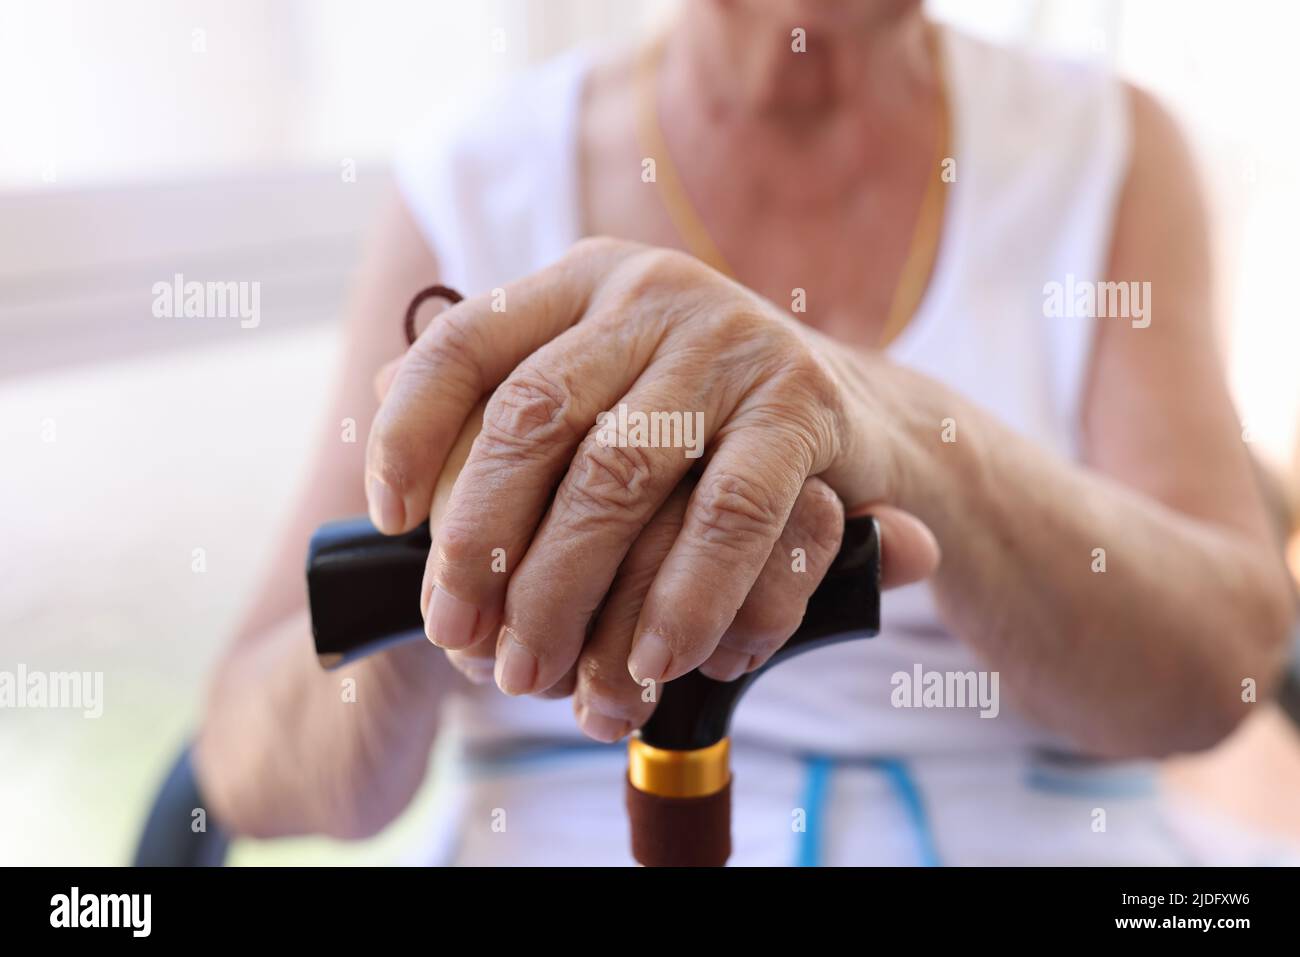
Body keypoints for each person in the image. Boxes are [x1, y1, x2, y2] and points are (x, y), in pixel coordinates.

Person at [194, 0, 1296, 865]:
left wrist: (899, 429)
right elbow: (244, 754)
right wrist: (443, 593)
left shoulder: (1097, 145)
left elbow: (1226, 665)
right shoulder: (480, 169)